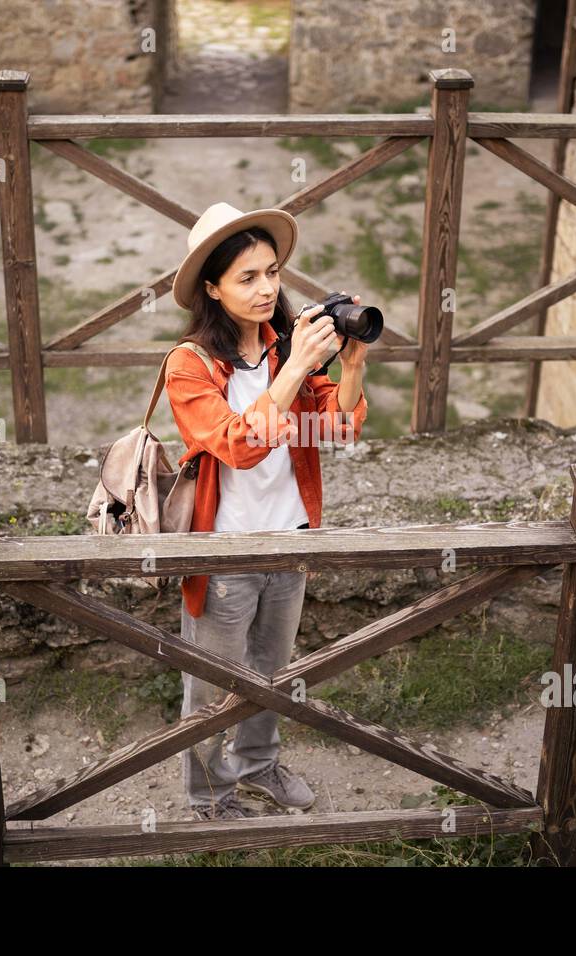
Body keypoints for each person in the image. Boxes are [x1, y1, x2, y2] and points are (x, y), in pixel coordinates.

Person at [165, 202, 370, 821]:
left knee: (272, 675)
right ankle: (208, 796)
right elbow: (239, 444)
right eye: (246, 278)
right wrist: (301, 367)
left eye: (272, 273)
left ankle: (257, 766)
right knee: (209, 691)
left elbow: (338, 428)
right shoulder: (191, 365)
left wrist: (352, 365)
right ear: (212, 287)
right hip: (223, 551)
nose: (265, 290)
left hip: (291, 541)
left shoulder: (286, 352)